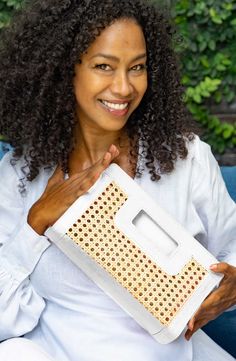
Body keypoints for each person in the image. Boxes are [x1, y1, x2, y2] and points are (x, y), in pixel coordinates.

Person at [0, 0, 235, 360]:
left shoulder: (186, 160)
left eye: (137, 67)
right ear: (65, 70)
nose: (124, 88)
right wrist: (36, 224)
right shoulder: (20, 175)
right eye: (104, 66)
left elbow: (231, 248)